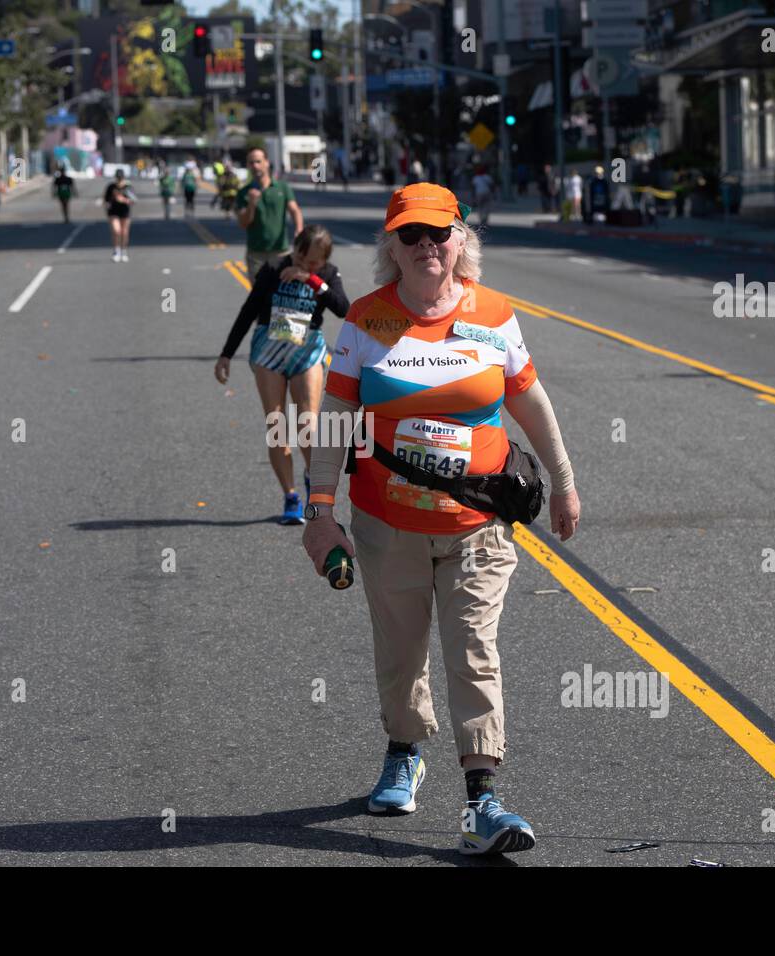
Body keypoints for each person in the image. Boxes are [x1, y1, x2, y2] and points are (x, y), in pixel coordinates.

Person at [300, 182, 581, 855]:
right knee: (401, 655)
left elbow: (531, 402)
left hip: (477, 522)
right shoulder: (365, 323)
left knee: (473, 651)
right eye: (411, 236)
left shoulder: (493, 314)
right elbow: (334, 423)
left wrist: (566, 483)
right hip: (385, 522)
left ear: (462, 240)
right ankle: (404, 748)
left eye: (439, 234)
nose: (427, 246)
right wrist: (319, 511)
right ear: (390, 246)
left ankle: (482, 797)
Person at [215, 225, 349, 524]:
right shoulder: (273, 267)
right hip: (269, 349)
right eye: (302, 257)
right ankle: (290, 497)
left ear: (324, 261)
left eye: (314, 262)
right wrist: (226, 354)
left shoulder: (327, 274)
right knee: (277, 424)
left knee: (307, 424)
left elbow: (344, 310)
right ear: (295, 247)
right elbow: (248, 310)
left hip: (306, 349)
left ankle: (311, 480)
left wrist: (312, 280)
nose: (305, 263)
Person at [235, 146, 303, 281]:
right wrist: (251, 204)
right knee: (259, 298)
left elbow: (294, 210)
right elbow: (243, 223)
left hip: (281, 252)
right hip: (256, 254)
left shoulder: (282, 187)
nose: (255, 166)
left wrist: (299, 229)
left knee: (282, 294)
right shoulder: (244, 192)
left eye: (258, 161)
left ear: (266, 162)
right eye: (251, 163)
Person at [104, 168, 134, 262]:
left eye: (120, 177)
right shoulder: (111, 187)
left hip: (125, 211)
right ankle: (116, 251)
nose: (119, 179)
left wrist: (123, 200)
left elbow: (133, 200)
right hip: (113, 212)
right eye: (118, 177)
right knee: (117, 231)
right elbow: (106, 200)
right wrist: (109, 204)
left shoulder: (128, 187)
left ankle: (124, 251)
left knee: (124, 232)